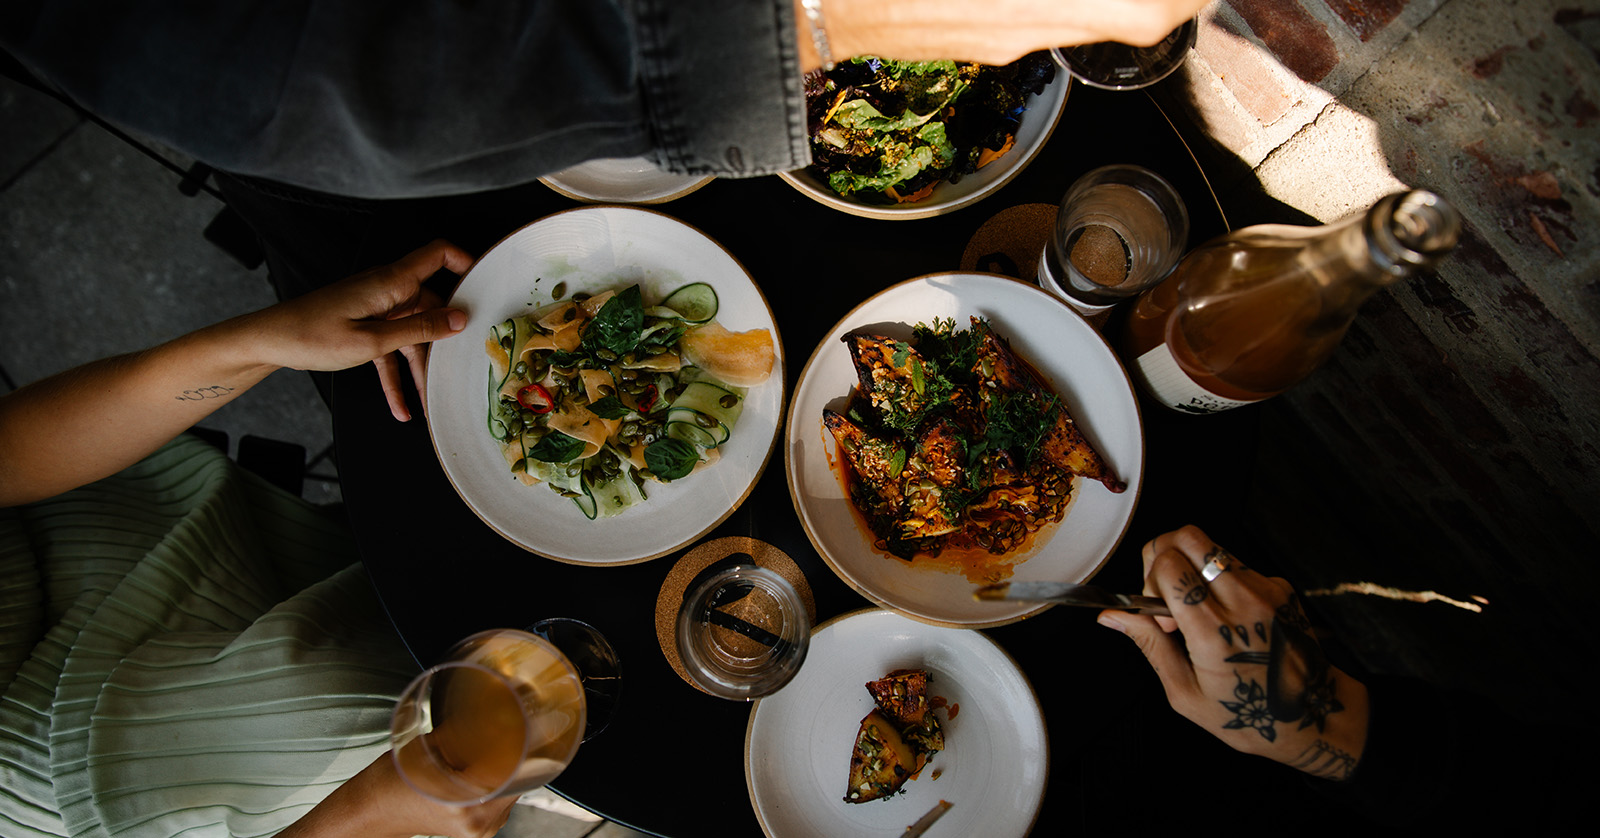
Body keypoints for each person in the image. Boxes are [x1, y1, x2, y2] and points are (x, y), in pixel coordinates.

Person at [0, 241, 517, 838]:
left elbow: (8, 452)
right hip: (102, 781)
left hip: (121, 531)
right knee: (394, 710)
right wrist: (358, 819)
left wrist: (264, 340)